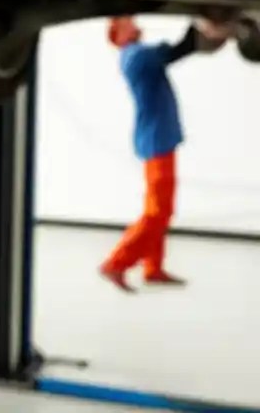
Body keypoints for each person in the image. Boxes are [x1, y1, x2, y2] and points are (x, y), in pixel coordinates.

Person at [99, 16, 230, 292]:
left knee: (157, 210)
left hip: (158, 140)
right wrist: (201, 21)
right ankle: (116, 263)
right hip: (157, 142)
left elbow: (178, 49)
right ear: (117, 35)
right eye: (126, 22)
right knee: (159, 212)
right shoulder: (136, 56)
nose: (133, 21)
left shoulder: (135, 55)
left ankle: (153, 268)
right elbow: (178, 50)